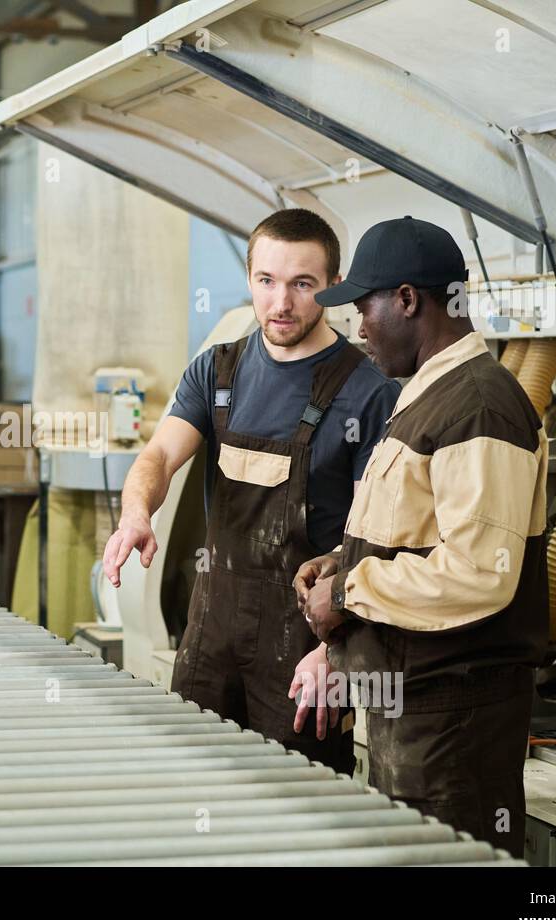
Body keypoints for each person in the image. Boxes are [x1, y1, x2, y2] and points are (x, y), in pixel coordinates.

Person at [103, 208, 399, 774]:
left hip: (307, 644)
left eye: (302, 284)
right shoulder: (216, 372)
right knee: (194, 783)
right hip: (211, 632)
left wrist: (335, 651)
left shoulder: (369, 393)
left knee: (302, 810)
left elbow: (377, 539)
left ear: (333, 287)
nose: (281, 302)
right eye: (266, 281)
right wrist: (136, 512)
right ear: (249, 280)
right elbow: (160, 455)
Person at [294, 215, 548, 856]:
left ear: (408, 299)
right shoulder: (429, 395)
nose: (357, 329)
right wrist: (338, 562)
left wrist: (348, 593)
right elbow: (417, 531)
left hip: (454, 722)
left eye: (362, 308)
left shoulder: (478, 405)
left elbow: (478, 573)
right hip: (414, 711)